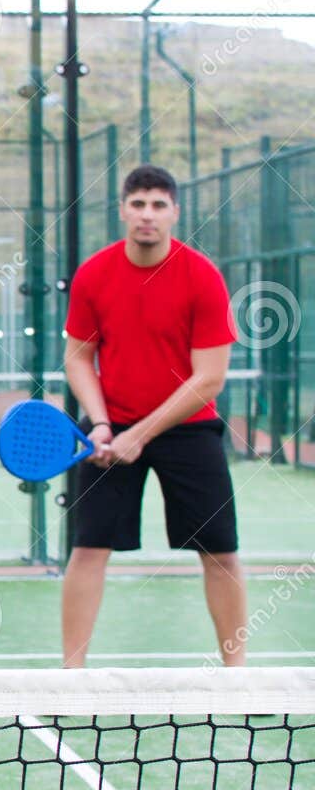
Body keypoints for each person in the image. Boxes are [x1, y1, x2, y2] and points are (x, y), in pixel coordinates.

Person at [60, 164, 247, 668]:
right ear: (122, 210)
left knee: (221, 552)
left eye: (158, 205)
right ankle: (70, 675)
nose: (148, 215)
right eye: (138, 203)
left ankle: (237, 675)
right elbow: (78, 357)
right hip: (111, 427)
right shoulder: (94, 275)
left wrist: (139, 435)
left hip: (188, 430)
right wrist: (101, 424)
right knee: (88, 549)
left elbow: (209, 378)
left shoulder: (202, 277)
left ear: (175, 213)